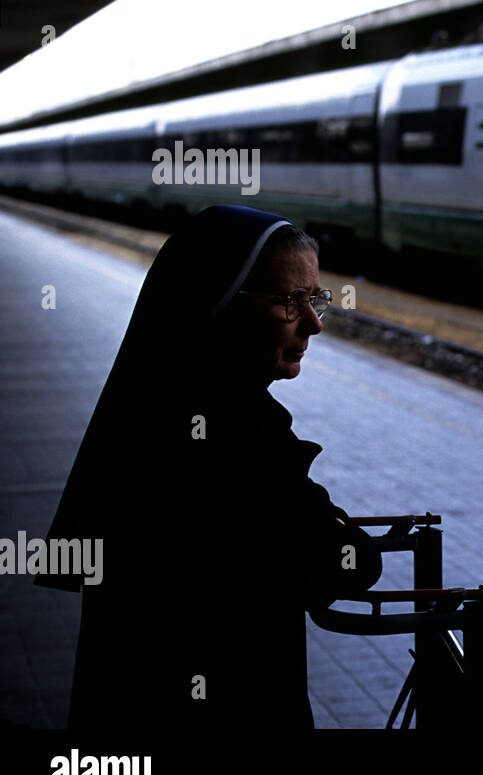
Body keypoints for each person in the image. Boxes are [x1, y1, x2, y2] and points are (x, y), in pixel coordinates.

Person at [36, 204, 381, 729]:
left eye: (314, 300)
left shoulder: (158, 404)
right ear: (218, 307)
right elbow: (348, 562)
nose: (312, 324)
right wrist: (334, 526)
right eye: (289, 302)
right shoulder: (227, 432)